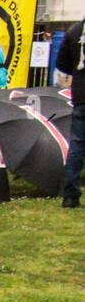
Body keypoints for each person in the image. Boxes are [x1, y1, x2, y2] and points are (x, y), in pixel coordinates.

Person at [55, 14, 84, 208]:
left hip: (82, 94)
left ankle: (70, 195)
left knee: (77, 145)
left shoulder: (74, 31)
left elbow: (63, 64)